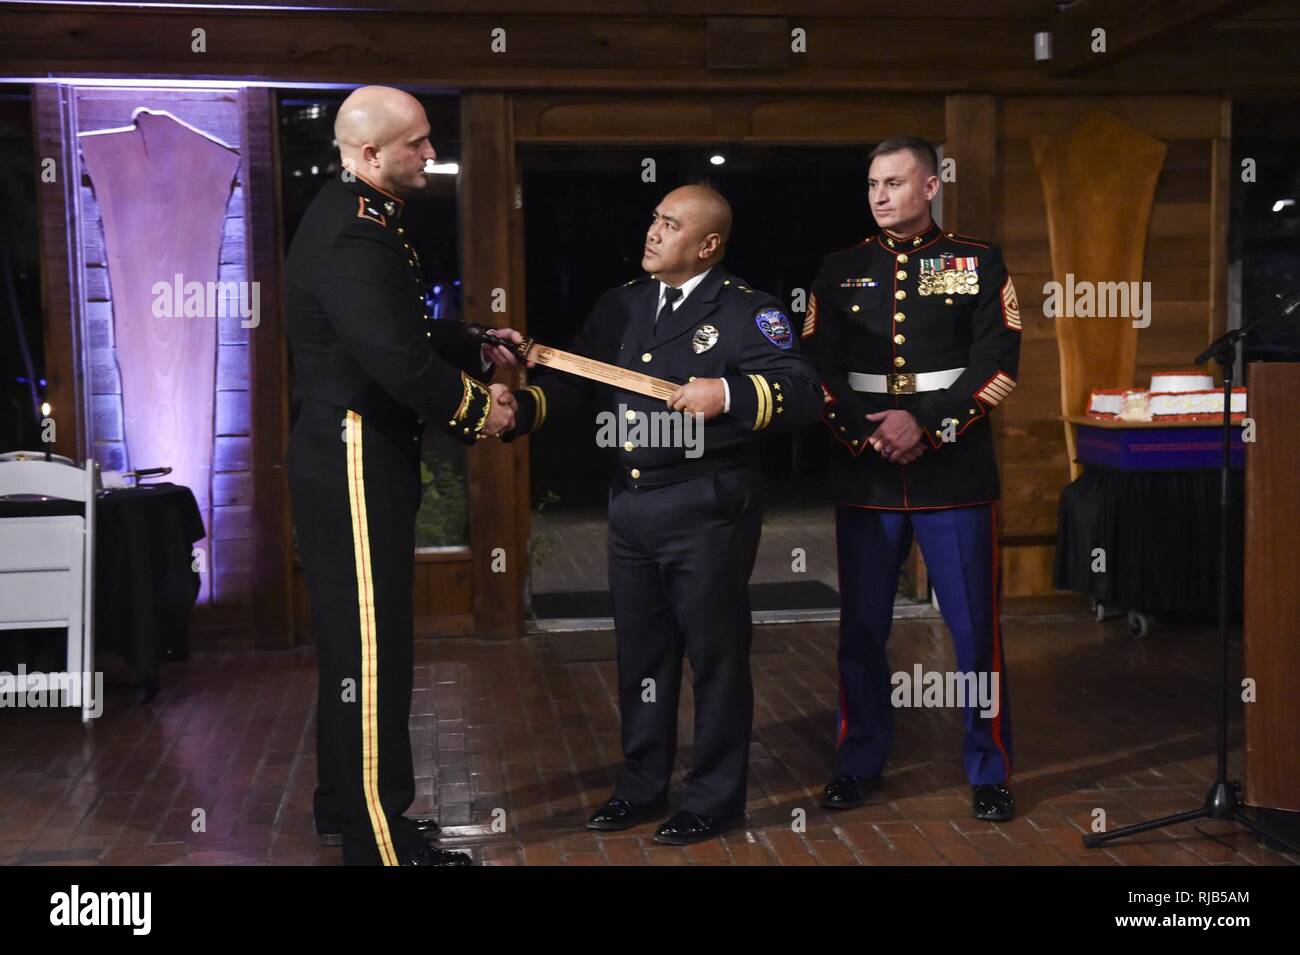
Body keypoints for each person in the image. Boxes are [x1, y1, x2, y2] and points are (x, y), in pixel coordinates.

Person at [506, 185, 823, 845]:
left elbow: (801, 393)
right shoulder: (621, 303)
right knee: (642, 658)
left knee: (715, 655)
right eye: (654, 218)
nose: (653, 231)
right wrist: (520, 406)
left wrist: (730, 391)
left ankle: (714, 798)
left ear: (707, 245)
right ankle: (641, 786)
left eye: (671, 224)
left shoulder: (745, 312)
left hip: (707, 504)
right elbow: (576, 379)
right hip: (633, 504)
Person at [285, 85, 520, 866]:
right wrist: (474, 409)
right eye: (416, 143)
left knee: (354, 643)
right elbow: (391, 357)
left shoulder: (358, 216)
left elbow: (395, 327)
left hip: (350, 442)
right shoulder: (356, 234)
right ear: (369, 154)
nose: (430, 153)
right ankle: (381, 840)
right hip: (354, 448)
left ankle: (340, 809)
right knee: (373, 647)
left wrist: (472, 337)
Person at [802, 137, 1020, 821]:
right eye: (873, 184)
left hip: (952, 470)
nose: (881, 195)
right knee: (861, 630)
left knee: (974, 629)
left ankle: (989, 766)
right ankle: (859, 758)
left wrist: (924, 423)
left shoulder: (978, 262)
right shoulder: (839, 270)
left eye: (895, 182)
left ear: (931, 187)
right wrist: (869, 430)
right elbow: (816, 368)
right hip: (867, 471)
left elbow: (997, 363)